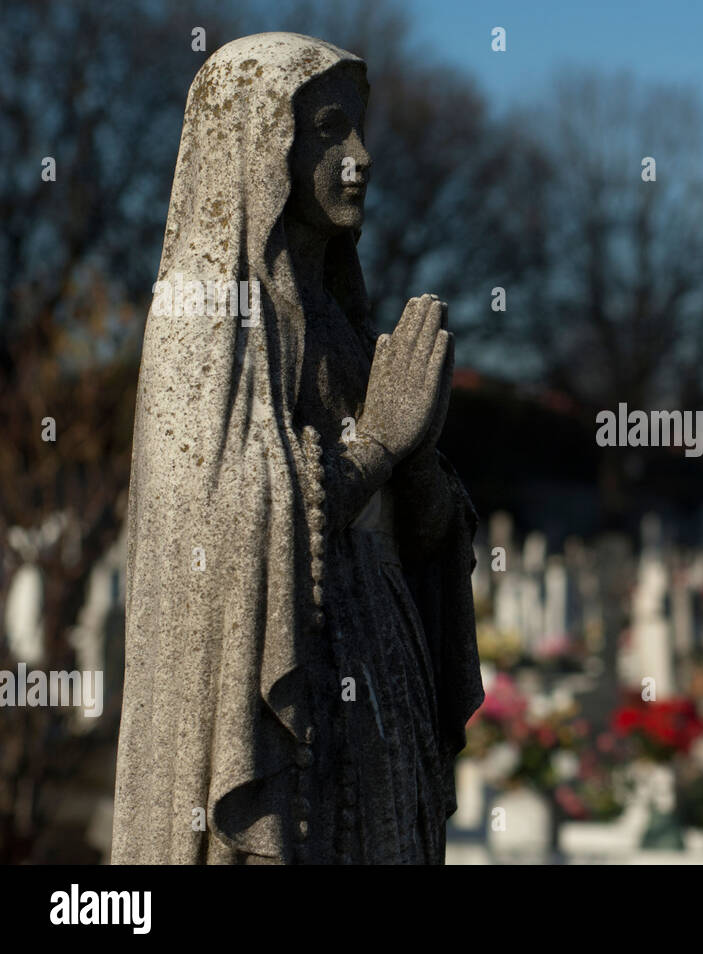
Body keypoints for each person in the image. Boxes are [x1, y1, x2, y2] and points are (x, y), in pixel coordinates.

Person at [112, 33, 482, 864]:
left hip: (382, 687)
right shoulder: (203, 319)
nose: (360, 157)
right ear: (256, 144)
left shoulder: (342, 322)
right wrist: (383, 442)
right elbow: (220, 527)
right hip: (285, 716)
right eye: (327, 130)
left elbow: (416, 531)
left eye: (359, 131)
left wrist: (416, 452)